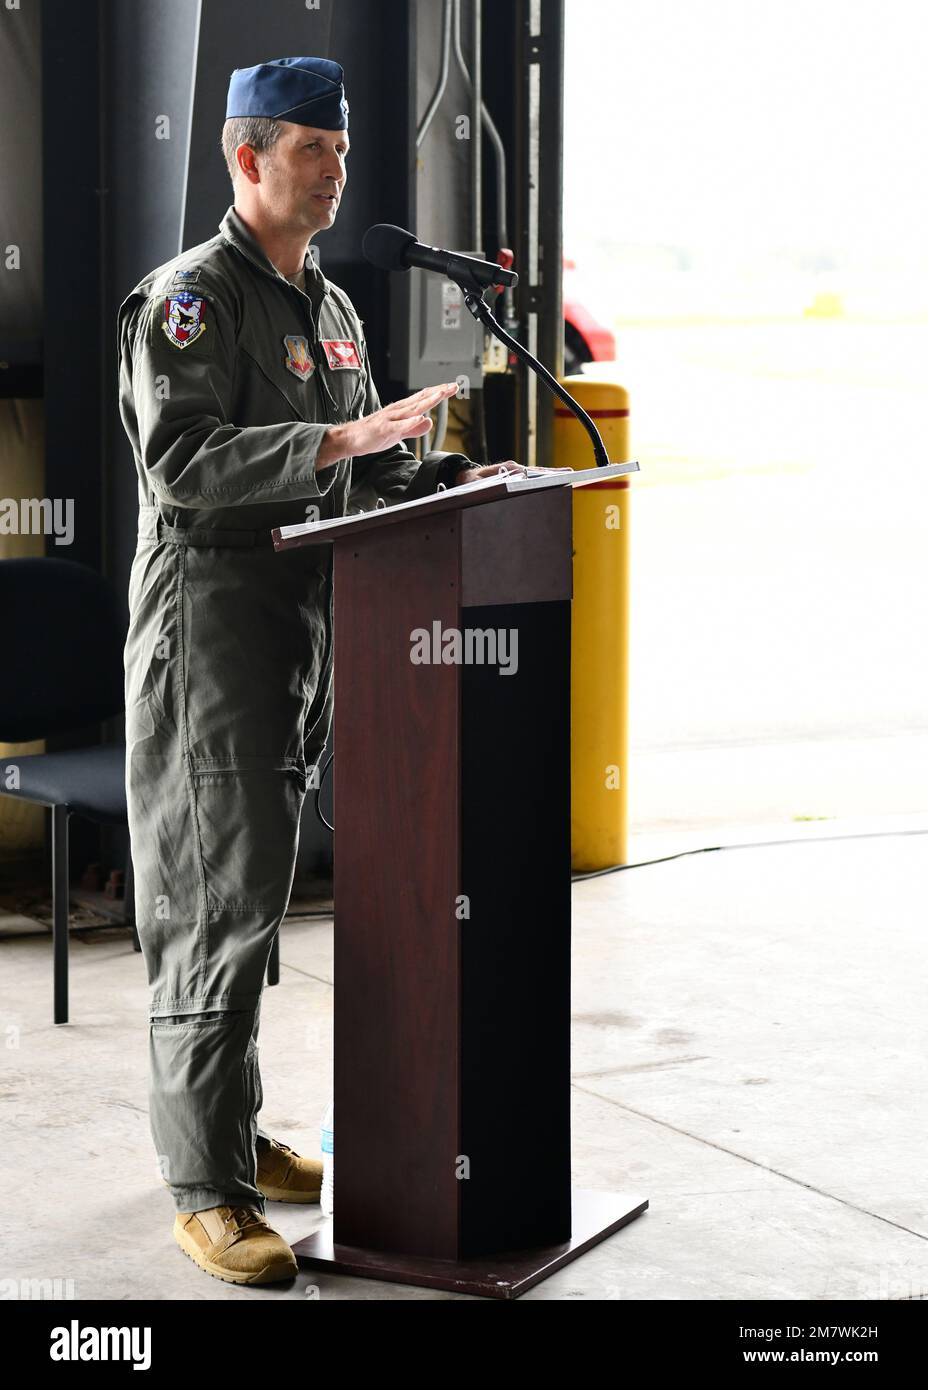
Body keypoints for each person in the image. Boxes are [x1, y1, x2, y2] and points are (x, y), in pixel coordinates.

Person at [117, 55, 530, 1286]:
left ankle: (232, 1132)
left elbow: (352, 471)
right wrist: (339, 435)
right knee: (212, 907)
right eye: (314, 148)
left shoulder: (334, 311)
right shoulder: (190, 301)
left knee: (253, 902)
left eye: (342, 150)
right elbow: (182, 462)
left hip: (304, 636)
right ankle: (204, 1188)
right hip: (213, 638)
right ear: (245, 157)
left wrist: (437, 473)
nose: (337, 169)